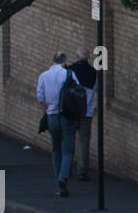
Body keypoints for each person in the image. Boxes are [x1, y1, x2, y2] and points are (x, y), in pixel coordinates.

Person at [35, 52, 76, 197]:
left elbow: (40, 98)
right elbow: (77, 92)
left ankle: (58, 180)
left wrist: (46, 111)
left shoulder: (44, 76)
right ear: (64, 62)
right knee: (68, 151)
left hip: (52, 115)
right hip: (67, 116)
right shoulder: (69, 74)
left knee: (56, 149)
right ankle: (63, 177)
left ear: (52, 62)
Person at [68, 48, 98, 182]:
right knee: (84, 141)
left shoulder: (70, 71)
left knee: (69, 138)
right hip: (87, 111)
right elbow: (95, 91)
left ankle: (67, 168)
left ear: (76, 57)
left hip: (71, 110)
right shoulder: (94, 73)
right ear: (88, 58)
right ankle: (82, 171)